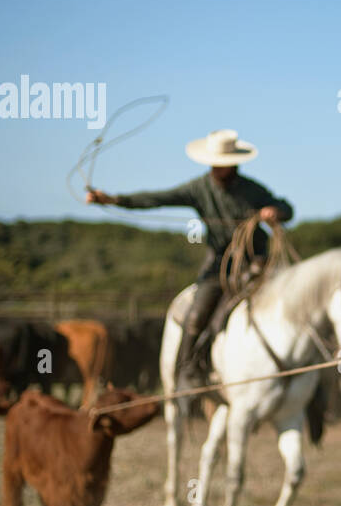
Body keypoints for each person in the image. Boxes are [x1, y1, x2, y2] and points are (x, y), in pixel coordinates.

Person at [86, 129, 293, 388]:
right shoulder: (199, 189)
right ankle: (189, 369)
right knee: (198, 314)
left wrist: (274, 211)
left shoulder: (253, 190)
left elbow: (287, 209)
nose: (218, 168)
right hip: (221, 264)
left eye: (224, 164)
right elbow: (158, 198)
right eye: (216, 163)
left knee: (296, 302)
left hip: (258, 262)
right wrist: (114, 200)